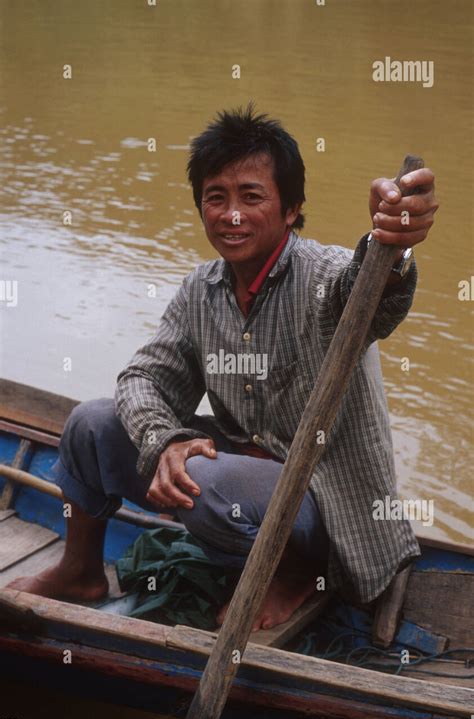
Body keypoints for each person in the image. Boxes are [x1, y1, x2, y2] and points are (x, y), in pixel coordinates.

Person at [8, 105, 438, 631]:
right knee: (90, 424)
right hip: (244, 478)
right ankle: (80, 572)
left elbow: (374, 294)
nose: (232, 214)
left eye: (251, 197)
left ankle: (297, 572)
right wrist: (164, 439)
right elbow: (144, 380)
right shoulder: (201, 290)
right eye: (217, 198)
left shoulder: (321, 277)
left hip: (328, 504)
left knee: (202, 482)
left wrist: (389, 249)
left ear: (291, 209)